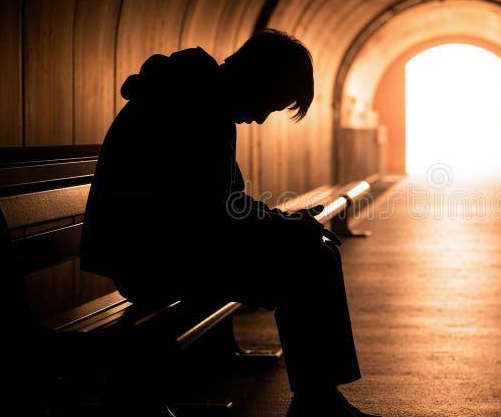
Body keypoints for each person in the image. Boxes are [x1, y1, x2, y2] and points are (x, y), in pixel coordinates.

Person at [80, 29, 377, 417]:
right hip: (150, 260)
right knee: (311, 261)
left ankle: (318, 399)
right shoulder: (194, 106)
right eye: (269, 103)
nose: (259, 118)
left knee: (313, 252)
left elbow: (219, 205)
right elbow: (211, 214)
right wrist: (284, 229)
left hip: (161, 247)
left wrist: (282, 222)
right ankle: (317, 402)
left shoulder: (201, 98)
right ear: (258, 77)